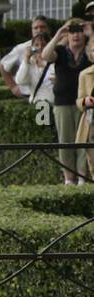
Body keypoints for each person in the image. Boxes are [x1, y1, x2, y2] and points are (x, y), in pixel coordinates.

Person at [40, 18, 91, 184]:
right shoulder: (61, 51)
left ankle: (83, 176)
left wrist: (91, 33)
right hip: (62, 102)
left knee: (84, 140)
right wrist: (58, 34)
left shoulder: (90, 51)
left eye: (79, 31)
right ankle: (69, 179)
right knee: (65, 141)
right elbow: (45, 55)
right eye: (72, 31)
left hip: (84, 103)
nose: (76, 35)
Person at [0, 17, 52, 98]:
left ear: (48, 29)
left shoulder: (56, 45)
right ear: (32, 30)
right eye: (36, 28)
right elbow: (2, 65)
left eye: (42, 27)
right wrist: (13, 87)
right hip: (30, 94)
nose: (39, 30)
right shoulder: (22, 48)